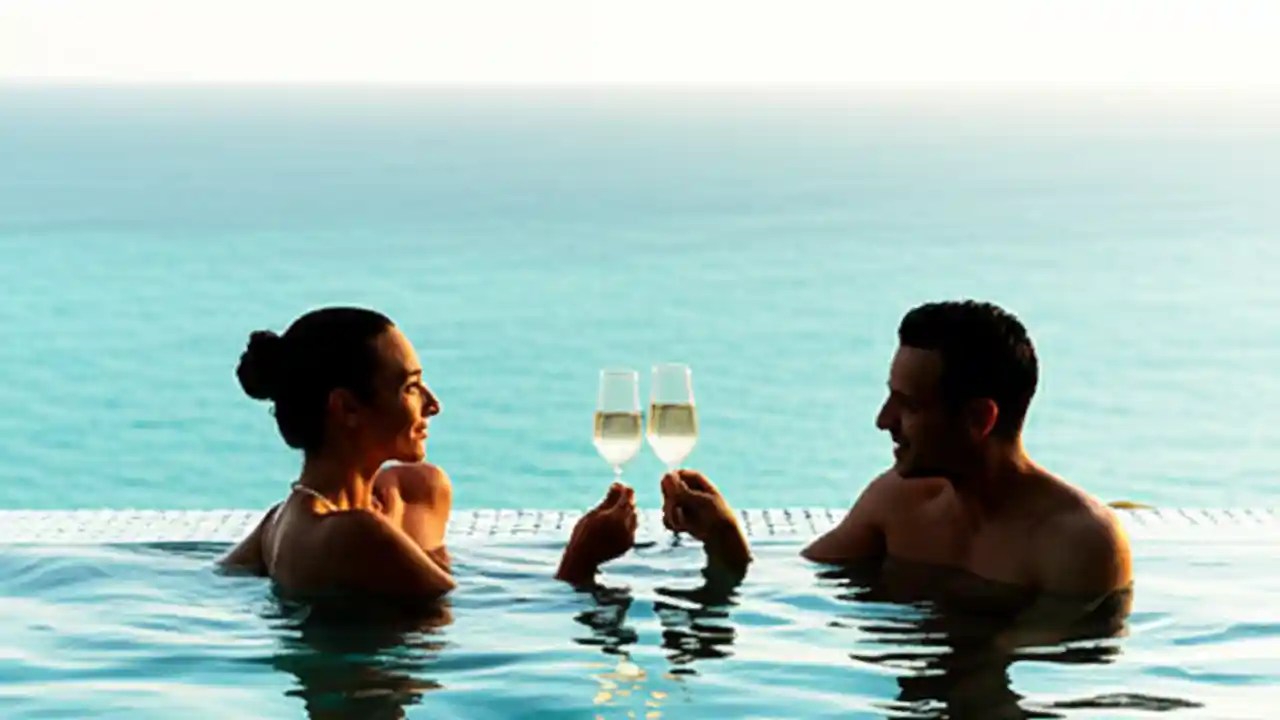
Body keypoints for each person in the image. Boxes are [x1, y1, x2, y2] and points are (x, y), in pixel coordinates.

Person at [661, 300, 1133, 617]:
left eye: (908, 405)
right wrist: (723, 535)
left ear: (979, 419)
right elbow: (789, 588)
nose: (883, 420)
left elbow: (995, 681)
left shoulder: (1079, 543)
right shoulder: (896, 501)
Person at [220, 306, 634, 600]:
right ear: (346, 409)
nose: (432, 404)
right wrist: (584, 556)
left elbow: (216, 581)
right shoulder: (353, 534)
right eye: (410, 388)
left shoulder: (280, 522)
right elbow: (471, 625)